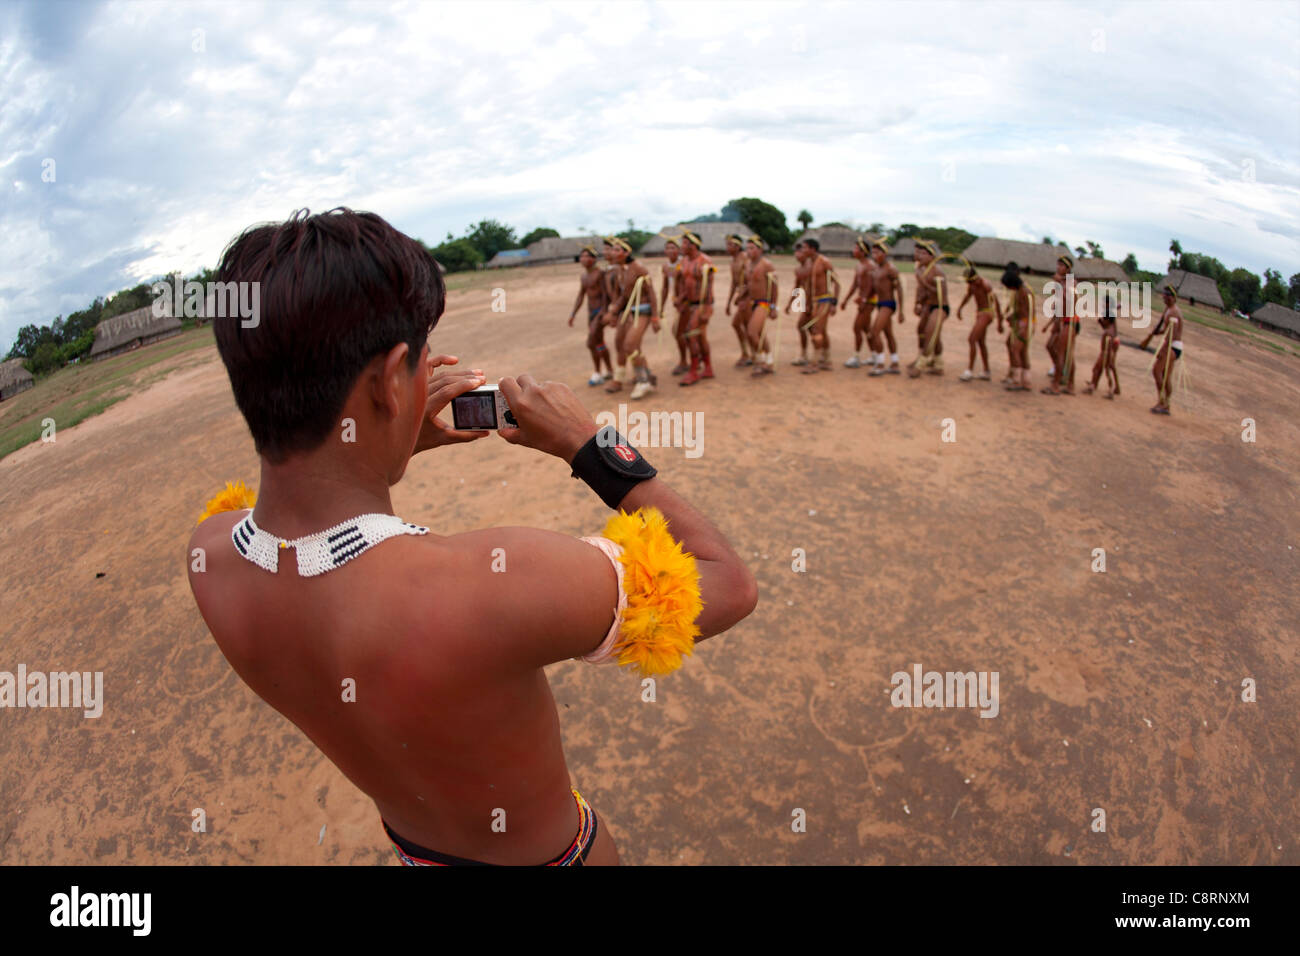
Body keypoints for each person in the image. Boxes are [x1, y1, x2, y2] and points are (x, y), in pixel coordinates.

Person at [188, 208, 758, 868]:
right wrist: (590, 445)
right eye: (423, 357)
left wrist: (386, 443)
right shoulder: (494, 583)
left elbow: (313, 518)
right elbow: (728, 582)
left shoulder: (211, 555)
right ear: (387, 379)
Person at [602, 237, 661, 400]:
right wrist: (613, 312)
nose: (612, 252)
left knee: (630, 345)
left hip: (643, 312)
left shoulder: (639, 268)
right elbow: (624, 295)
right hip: (628, 312)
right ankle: (645, 376)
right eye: (612, 249)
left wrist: (655, 317)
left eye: (616, 249)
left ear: (626, 252)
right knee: (622, 343)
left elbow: (652, 294)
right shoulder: (621, 270)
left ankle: (643, 382)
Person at [567, 244, 613, 386]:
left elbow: (606, 295)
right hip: (590, 314)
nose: (583, 259)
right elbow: (581, 295)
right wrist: (573, 313)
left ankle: (597, 373)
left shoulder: (600, 274)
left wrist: (604, 312)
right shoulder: (584, 276)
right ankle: (610, 370)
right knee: (599, 342)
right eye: (582, 256)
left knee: (591, 342)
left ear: (594, 259)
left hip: (599, 313)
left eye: (587, 256)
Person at [678, 231, 717, 386]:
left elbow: (708, 287)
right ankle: (707, 368)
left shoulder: (705, 262)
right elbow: (684, 283)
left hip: (702, 305)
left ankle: (693, 370)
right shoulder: (684, 261)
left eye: (685, 243)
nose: (682, 246)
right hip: (689, 304)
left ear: (693, 245)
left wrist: (706, 309)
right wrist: (680, 299)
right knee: (699, 337)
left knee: (691, 334)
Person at [741, 235, 780, 377]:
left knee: (752, 333)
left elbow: (774, 287)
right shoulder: (747, 264)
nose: (749, 251)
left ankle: (761, 361)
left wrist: (774, 307)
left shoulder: (767, 265)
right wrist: (741, 297)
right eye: (747, 248)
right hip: (751, 302)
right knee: (760, 334)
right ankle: (769, 361)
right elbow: (748, 285)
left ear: (759, 249)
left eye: (752, 248)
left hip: (763, 303)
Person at [955, 264, 1002, 381]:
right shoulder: (972, 286)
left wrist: (999, 322)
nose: (968, 285)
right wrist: (960, 308)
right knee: (980, 342)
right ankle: (986, 371)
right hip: (980, 313)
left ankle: (969, 371)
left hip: (987, 313)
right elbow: (968, 296)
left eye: (970, 282)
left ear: (975, 279)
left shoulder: (985, 285)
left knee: (972, 339)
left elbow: (996, 302)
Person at [800, 237, 840, 373]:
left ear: (812, 249)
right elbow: (808, 286)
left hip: (824, 300)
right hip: (815, 302)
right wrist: (807, 303)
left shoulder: (824, 262)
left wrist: (834, 302)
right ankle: (827, 360)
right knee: (820, 330)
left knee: (816, 330)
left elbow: (837, 282)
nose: (803, 250)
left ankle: (815, 363)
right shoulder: (810, 263)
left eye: (805, 247)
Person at [908, 239, 947, 377]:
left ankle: (921, 364)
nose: (920, 256)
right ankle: (938, 364)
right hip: (927, 305)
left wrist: (924, 283)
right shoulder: (921, 269)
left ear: (931, 256)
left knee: (930, 334)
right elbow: (920, 290)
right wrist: (918, 303)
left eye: (924, 254)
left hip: (939, 306)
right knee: (923, 331)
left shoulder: (937, 271)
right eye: (920, 254)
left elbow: (940, 293)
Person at [866, 239, 904, 376]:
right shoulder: (875, 269)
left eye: (877, 253)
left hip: (888, 304)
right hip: (880, 304)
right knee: (888, 334)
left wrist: (901, 311)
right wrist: (864, 299)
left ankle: (880, 364)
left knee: (874, 332)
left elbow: (899, 289)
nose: (874, 255)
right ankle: (894, 362)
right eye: (872, 253)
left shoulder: (890, 269)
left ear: (884, 253)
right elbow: (873, 289)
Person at [842, 237, 878, 368]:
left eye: (856, 249)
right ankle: (874, 355)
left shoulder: (870, 266)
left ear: (863, 252)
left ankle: (856, 357)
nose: (854, 251)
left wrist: (864, 299)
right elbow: (855, 285)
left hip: (869, 301)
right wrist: (845, 299)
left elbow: (871, 285)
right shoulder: (859, 265)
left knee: (857, 327)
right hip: (863, 300)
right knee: (865, 328)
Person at [1151, 284, 1185, 415]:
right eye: (1163, 294)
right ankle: (1166, 404)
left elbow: (1171, 335)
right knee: (1165, 376)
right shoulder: (1169, 310)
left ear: (1172, 297)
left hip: (1172, 346)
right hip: (1173, 346)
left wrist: (1163, 350)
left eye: (1166, 295)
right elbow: (1166, 331)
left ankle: (1162, 402)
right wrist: (1158, 332)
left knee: (1156, 371)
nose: (1163, 297)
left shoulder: (1173, 312)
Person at [1001, 262, 1033, 391]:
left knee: (1016, 349)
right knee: (1019, 349)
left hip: (1024, 324)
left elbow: (1025, 312)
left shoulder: (1023, 292)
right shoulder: (1021, 290)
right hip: (1023, 322)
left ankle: (1017, 380)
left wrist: (1020, 326)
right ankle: (1025, 381)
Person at [659, 237, 689, 375]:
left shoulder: (684, 264)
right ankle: (691, 359)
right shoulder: (665, 266)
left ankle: (685, 361)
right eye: (668, 248)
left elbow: (689, 285)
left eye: (673, 248)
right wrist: (661, 306)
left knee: (678, 331)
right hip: (676, 303)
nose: (670, 251)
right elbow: (665, 287)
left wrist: (682, 299)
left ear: (679, 250)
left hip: (686, 303)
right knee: (684, 332)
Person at [1081, 293, 1120, 398]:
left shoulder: (1110, 314)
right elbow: (1105, 325)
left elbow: (1108, 332)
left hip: (1108, 349)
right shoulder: (1109, 314)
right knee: (1102, 369)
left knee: (1106, 369)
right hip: (1107, 349)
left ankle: (1110, 389)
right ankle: (1095, 385)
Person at [723, 233, 753, 367]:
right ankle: (748, 353)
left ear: (737, 246)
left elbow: (750, 281)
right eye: (727, 244)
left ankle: (752, 354)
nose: (727, 247)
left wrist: (742, 296)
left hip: (749, 297)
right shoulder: (732, 261)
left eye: (730, 244)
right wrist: (728, 302)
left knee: (745, 326)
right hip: (740, 297)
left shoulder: (745, 259)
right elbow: (734, 283)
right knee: (741, 325)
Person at [785, 240, 814, 366]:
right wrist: (789, 303)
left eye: (800, 251)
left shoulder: (813, 266)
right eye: (796, 252)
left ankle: (820, 355)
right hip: (806, 303)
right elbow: (797, 287)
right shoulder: (798, 269)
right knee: (809, 328)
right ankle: (807, 354)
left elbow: (816, 287)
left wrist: (811, 304)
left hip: (815, 303)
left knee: (807, 327)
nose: (797, 255)